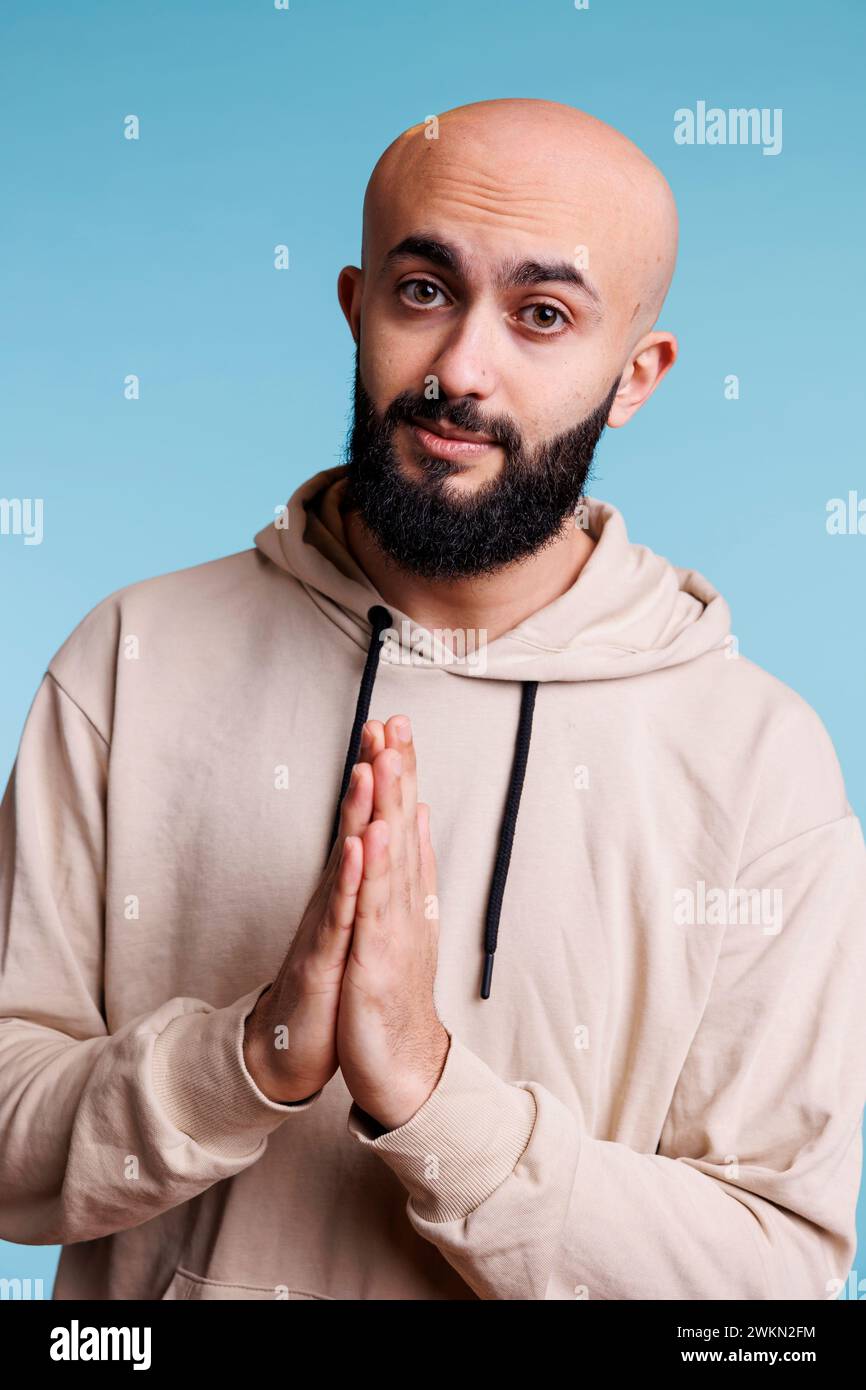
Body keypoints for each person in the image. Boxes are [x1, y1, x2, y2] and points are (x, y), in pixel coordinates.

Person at [1, 98, 864, 1302]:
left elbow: (770, 1291)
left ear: (636, 375)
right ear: (354, 305)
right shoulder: (130, 655)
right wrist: (251, 1055)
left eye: (542, 315)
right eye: (422, 292)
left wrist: (426, 1091)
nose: (461, 368)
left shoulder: (757, 762)